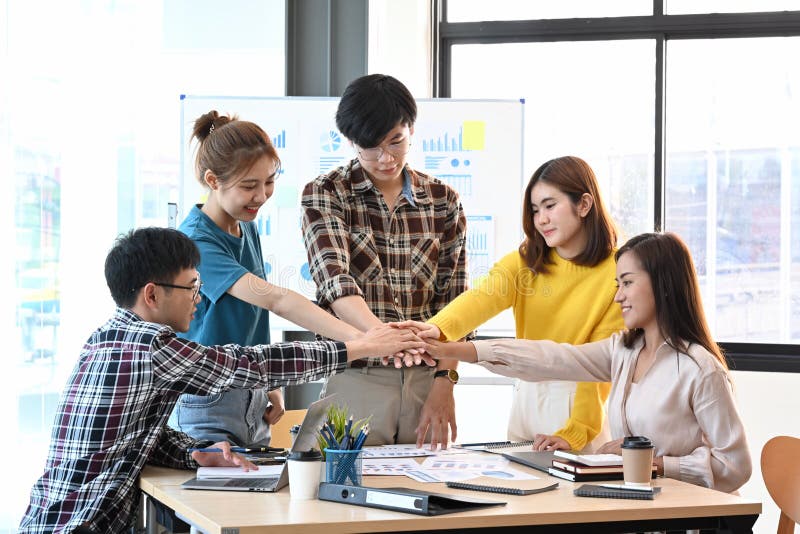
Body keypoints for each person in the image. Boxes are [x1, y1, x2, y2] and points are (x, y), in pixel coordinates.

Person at [18, 227, 424, 534]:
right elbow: (245, 365)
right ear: (152, 295)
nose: (200, 297)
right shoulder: (151, 346)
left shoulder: (108, 337)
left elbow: (136, 437)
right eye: (194, 286)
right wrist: (356, 347)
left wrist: (196, 453)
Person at [169, 111, 428, 448]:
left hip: (251, 393)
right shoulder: (196, 242)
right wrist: (370, 339)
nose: (261, 196)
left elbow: (251, 317)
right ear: (213, 180)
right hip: (209, 398)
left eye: (269, 181)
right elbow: (274, 299)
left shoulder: (245, 224)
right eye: (249, 186)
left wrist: (269, 385)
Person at [424, 232, 752, 493]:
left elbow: (736, 467)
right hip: (638, 508)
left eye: (627, 283)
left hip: (686, 518)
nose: (618, 296)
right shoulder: (623, 352)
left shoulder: (700, 369)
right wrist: (457, 350)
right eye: (616, 284)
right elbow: (551, 358)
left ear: (662, 284)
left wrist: (656, 463)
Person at [406, 155, 624, 452]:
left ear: (584, 205)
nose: (541, 219)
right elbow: (481, 298)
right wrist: (433, 330)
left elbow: (598, 368)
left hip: (579, 413)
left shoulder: (617, 270)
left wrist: (576, 431)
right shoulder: (527, 260)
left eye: (550, 206)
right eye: (535, 210)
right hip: (525, 399)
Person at [301, 74, 468, 448]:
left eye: (396, 141)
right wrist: (385, 340)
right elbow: (335, 281)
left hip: (428, 377)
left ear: (411, 128)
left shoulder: (444, 200)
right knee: (345, 494)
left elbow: (455, 300)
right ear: (350, 141)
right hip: (357, 372)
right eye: (370, 148)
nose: (386, 158)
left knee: (426, 491)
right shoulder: (326, 193)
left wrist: (446, 381)